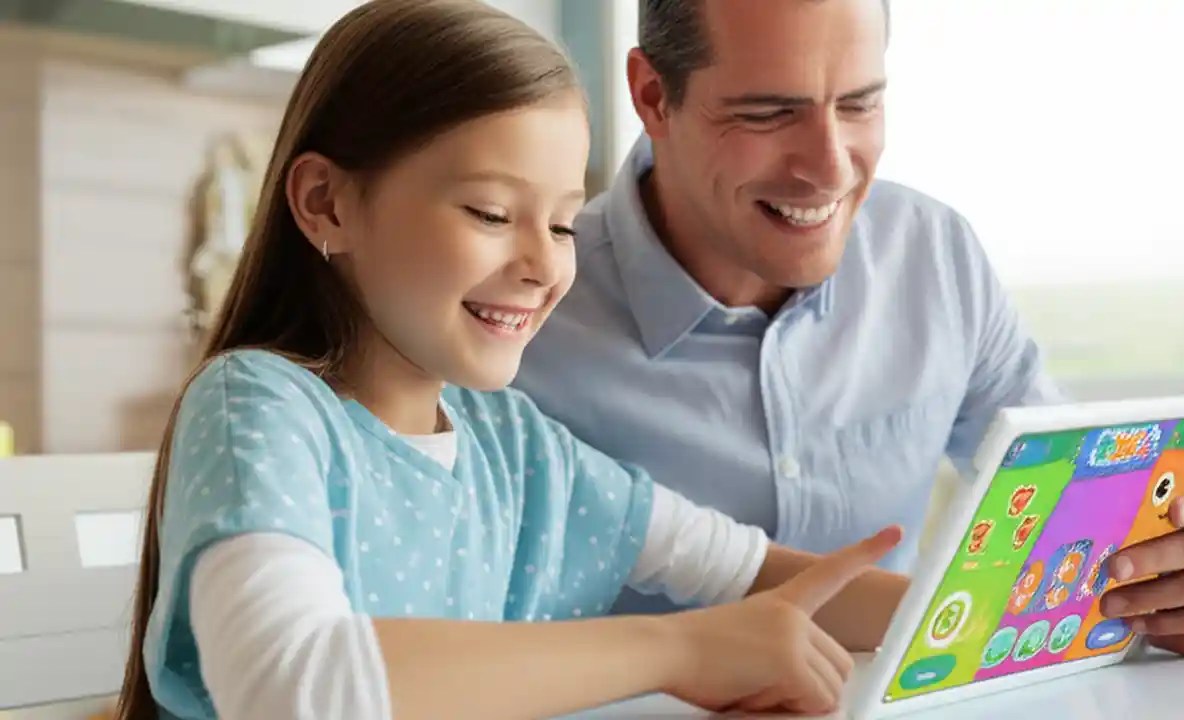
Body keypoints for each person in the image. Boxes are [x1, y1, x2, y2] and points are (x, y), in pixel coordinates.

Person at [113, 2, 916, 719]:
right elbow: (290, 685)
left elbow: (743, 571)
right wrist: (685, 650)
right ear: (327, 203)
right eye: (492, 213)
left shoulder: (515, 447)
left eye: (564, 224)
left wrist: (998, 618)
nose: (544, 265)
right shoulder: (259, 406)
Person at [514, 0, 1184, 656]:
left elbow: (1085, 518)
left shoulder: (933, 257)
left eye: (859, 105)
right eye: (770, 113)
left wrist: (1175, 576)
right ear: (653, 96)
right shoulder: (523, 315)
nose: (830, 168)